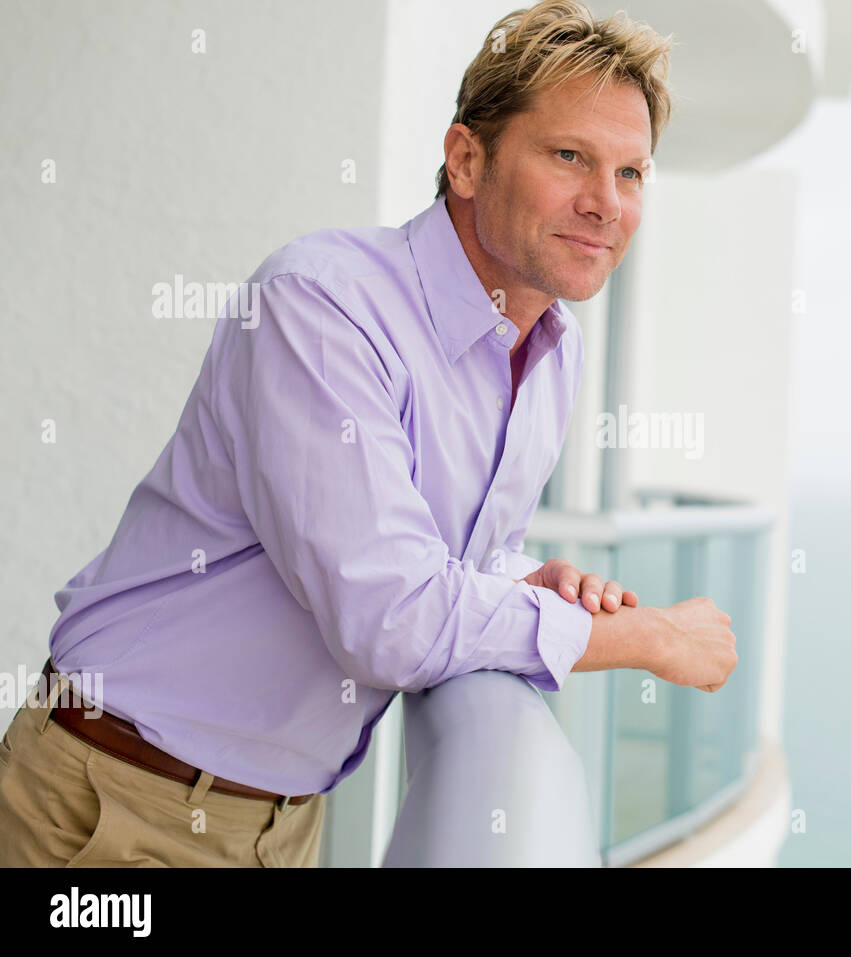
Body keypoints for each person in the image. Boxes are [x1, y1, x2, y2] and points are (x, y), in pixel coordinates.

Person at [0, 0, 736, 868]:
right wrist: (651, 637)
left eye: (632, 173)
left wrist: (526, 580)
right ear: (467, 160)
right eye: (570, 156)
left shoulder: (552, 353)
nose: (604, 203)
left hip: (285, 822)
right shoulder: (322, 306)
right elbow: (389, 617)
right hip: (117, 803)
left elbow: (436, 556)